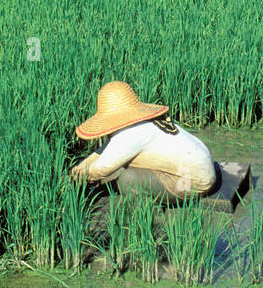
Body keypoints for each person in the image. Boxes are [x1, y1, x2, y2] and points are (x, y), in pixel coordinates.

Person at [70, 81, 218, 199]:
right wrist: (77, 170)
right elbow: (103, 152)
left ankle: (145, 211)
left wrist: (74, 180)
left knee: (126, 179)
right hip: (202, 167)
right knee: (124, 166)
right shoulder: (143, 122)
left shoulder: (131, 134)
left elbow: (101, 169)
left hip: (195, 181)